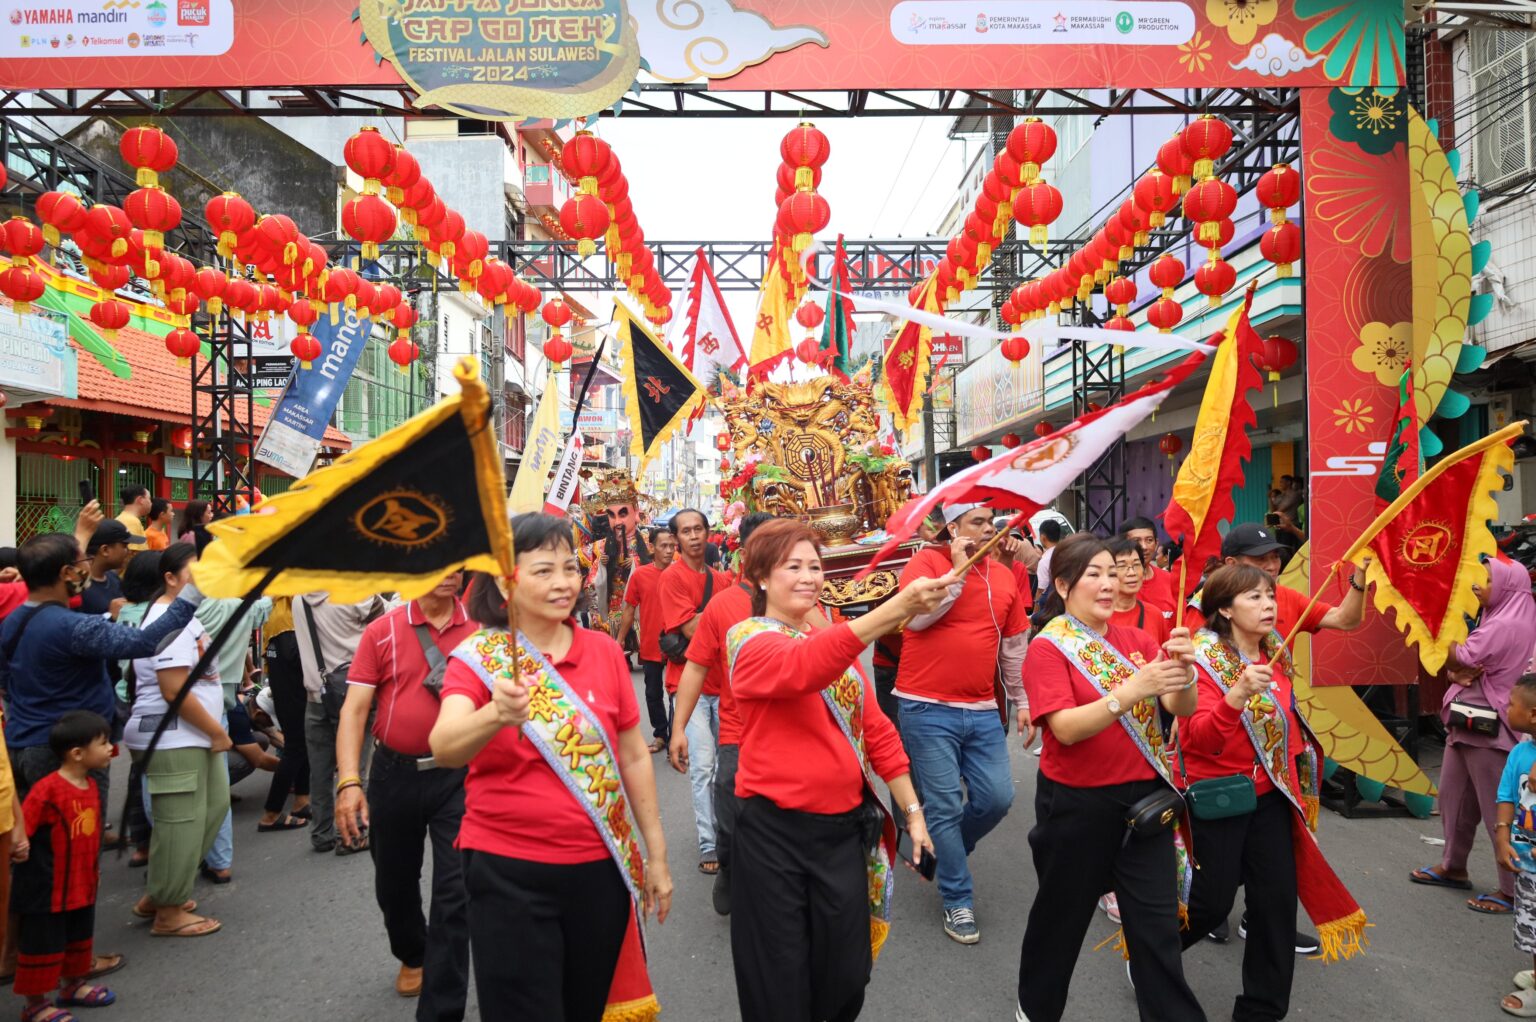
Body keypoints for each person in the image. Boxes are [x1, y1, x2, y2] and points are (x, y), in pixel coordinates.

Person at [429, 513, 672, 1022]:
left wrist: (656, 856)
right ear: (504, 581)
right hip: (506, 871)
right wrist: (495, 714)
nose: (563, 582)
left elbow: (631, 756)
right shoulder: (478, 659)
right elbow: (445, 746)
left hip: (598, 869)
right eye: (543, 570)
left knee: (585, 1007)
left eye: (570, 567)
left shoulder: (603, 651)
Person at [726, 519, 943, 1022]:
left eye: (815, 566)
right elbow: (804, 668)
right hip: (772, 834)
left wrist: (912, 813)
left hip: (842, 832)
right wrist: (896, 609)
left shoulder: (832, 638)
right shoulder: (748, 638)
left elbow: (878, 732)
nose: (808, 576)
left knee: (847, 974)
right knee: (778, 981)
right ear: (759, 577)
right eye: (792, 566)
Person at [1016, 533, 1204, 1022]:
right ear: (1062, 584)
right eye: (1092, 575)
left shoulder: (1139, 641)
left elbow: (1177, 709)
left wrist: (1184, 674)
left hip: (1144, 804)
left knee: (1158, 932)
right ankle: (1036, 1011)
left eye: (1111, 572)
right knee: (1061, 924)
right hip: (1077, 807)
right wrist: (1130, 690)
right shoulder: (1049, 647)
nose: (1107, 583)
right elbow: (1066, 729)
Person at [1181, 565, 1367, 1021]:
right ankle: (1151, 952)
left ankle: (1261, 1010)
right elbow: (1198, 739)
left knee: (1275, 905)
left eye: (1270, 596)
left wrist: (1359, 583)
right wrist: (1235, 696)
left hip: (1271, 798)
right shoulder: (1201, 658)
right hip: (1219, 798)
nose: (1268, 605)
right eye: (1254, 598)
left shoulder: (1273, 652)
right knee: (1210, 905)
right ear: (1224, 608)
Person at [334, 571, 477, 1015]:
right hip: (393, 774)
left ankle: (440, 1003)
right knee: (393, 882)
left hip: (460, 778)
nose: (451, 572)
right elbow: (355, 709)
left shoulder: (480, 632)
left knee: (456, 892)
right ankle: (413, 951)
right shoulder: (383, 630)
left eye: (459, 564)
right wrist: (349, 782)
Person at [894, 502, 1031, 944]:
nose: (988, 530)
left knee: (997, 798)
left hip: (982, 708)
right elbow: (914, 618)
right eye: (977, 523)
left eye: (991, 523)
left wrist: (1022, 699)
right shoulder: (925, 563)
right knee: (945, 806)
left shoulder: (1006, 576)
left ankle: (947, 846)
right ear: (952, 528)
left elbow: (1013, 646)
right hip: (925, 706)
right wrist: (955, 571)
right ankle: (958, 900)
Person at [1411, 557, 1536, 915]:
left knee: (1499, 810)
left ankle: (1512, 890)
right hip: (1467, 724)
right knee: (1454, 799)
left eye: (1487, 580)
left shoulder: (1505, 622)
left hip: (1490, 729)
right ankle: (1453, 865)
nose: (1478, 586)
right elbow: (1464, 665)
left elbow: (1460, 656)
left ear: (1508, 587)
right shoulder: (1506, 614)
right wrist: (1458, 672)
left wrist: (1439, 627)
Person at [669, 511, 773, 915]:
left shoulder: (801, 597)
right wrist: (677, 727)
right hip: (737, 730)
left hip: (789, 733)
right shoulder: (724, 604)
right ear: (745, 553)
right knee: (728, 804)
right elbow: (695, 666)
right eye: (766, 546)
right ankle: (727, 861)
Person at [123, 542, 229, 938]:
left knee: (212, 808)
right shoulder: (169, 616)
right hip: (172, 736)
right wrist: (217, 731)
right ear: (170, 578)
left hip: (192, 735)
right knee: (180, 822)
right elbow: (173, 688)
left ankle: (165, 890)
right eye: (196, 571)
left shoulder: (185, 615)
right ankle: (168, 911)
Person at [13, 712, 117, 1021]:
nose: (111, 748)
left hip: (81, 882)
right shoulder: (47, 789)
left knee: (79, 936)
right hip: (48, 885)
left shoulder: (89, 786)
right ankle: (35, 1004)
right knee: (42, 943)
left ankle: (74, 985)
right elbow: (24, 830)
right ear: (77, 753)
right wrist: (18, 848)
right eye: (104, 743)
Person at [656, 508, 734, 876]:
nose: (694, 536)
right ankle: (708, 841)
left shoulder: (721, 579)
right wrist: (725, 609)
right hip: (688, 686)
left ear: (708, 533)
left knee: (728, 767)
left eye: (699, 529)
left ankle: (728, 832)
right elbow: (689, 628)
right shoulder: (671, 578)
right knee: (702, 766)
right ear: (677, 539)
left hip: (726, 684)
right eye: (686, 531)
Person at [293, 591, 388, 855]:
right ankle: (352, 834)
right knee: (355, 768)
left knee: (320, 771)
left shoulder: (297, 598)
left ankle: (321, 833)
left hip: (315, 695)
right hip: (352, 694)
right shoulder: (355, 596)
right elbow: (391, 613)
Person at [1492, 675, 1536, 1015]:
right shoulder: (1520, 753)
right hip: (1527, 862)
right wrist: (1503, 837)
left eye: (1511, 705)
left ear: (1532, 714)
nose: (1506, 708)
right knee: (1531, 922)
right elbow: (1506, 796)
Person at [617, 527, 677, 753]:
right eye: (664, 546)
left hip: (679, 646)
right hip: (651, 644)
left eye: (672, 546)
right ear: (651, 547)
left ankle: (678, 735)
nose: (669, 550)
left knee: (678, 694)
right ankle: (661, 734)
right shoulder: (640, 575)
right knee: (653, 692)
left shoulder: (681, 572)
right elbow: (629, 610)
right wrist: (620, 640)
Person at [258, 597, 311, 831]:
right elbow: (296, 659)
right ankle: (271, 813)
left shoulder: (277, 611)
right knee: (296, 746)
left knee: (303, 741)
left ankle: (302, 800)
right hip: (293, 687)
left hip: (284, 687)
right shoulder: (286, 617)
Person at [1108, 538, 1169, 646]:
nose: (1131, 572)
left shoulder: (1155, 615)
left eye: (1136, 565)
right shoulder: (1096, 617)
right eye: (1122, 566)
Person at [76, 522, 131, 620]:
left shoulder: (113, 577)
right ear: (105, 550)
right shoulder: (78, 587)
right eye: (124, 546)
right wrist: (109, 616)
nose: (128, 551)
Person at [1121, 516, 1175, 614]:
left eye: (1149, 540)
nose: (1144, 547)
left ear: (1156, 544)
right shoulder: (1112, 584)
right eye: (1136, 541)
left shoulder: (1171, 581)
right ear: (1122, 544)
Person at [114, 486, 150, 552]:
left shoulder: (125, 518)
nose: (151, 503)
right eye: (149, 499)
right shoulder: (131, 521)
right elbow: (132, 554)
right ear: (141, 500)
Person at [1035, 518, 1063, 593]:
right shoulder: (1068, 552)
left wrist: (1036, 603)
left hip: (1053, 600)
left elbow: (1042, 589)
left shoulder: (1044, 561)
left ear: (1043, 537)